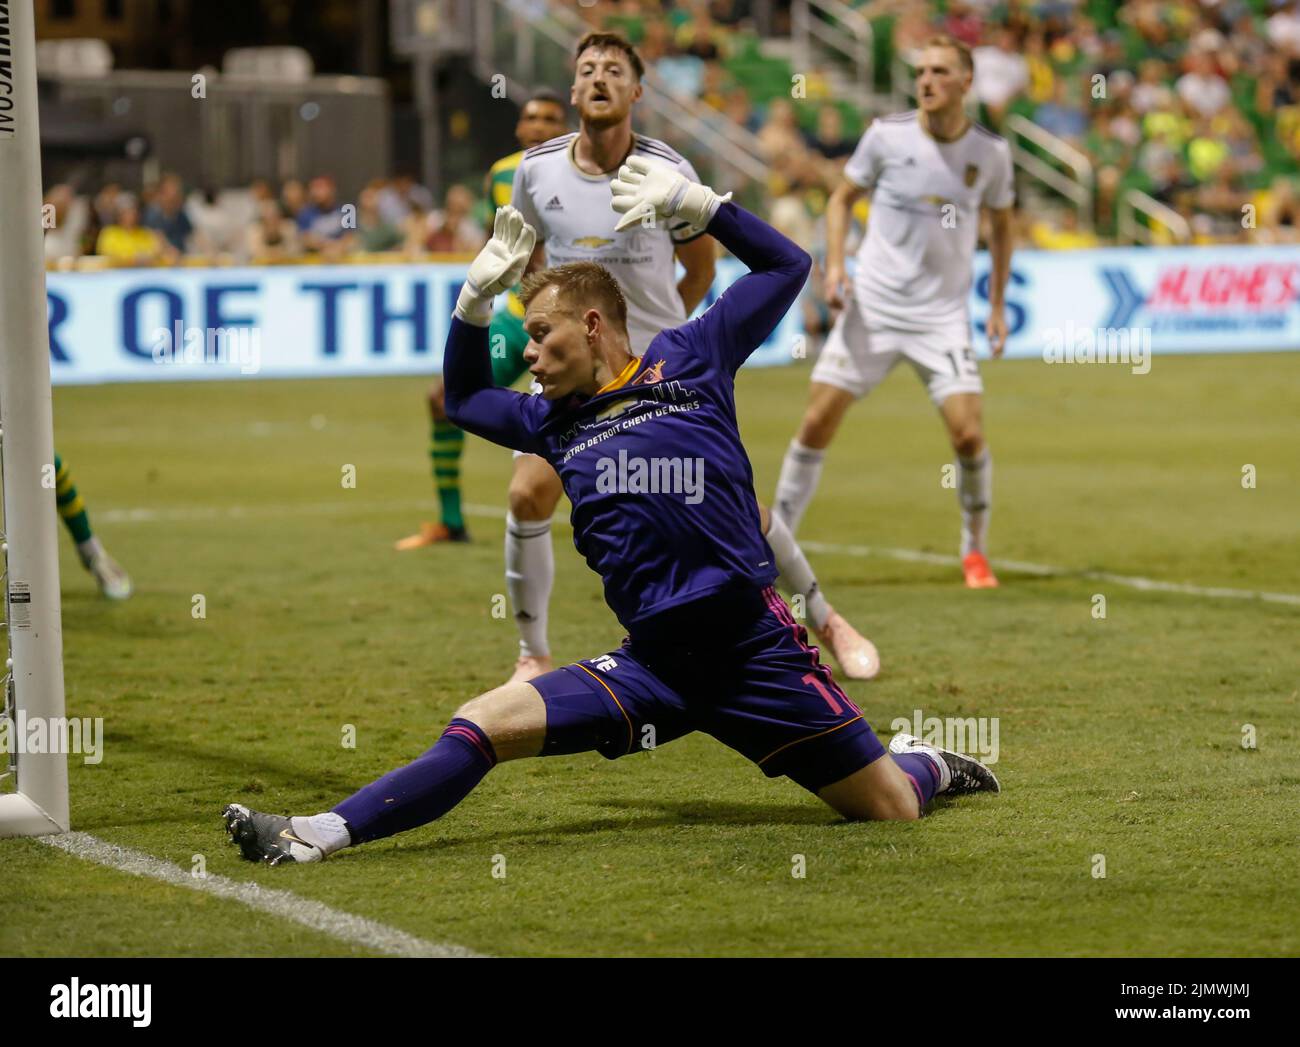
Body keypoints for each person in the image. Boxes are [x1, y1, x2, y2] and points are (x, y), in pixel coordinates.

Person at [223, 167, 998, 866]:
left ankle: (923, 759)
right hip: (652, 664)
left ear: (591, 326)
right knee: (482, 721)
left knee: (892, 808)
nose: (527, 354)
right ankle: (313, 832)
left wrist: (708, 209)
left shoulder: (692, 358)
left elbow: (788, 265)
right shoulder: (550, 423)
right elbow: (461, 400)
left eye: (538, 333)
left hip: (754, 651)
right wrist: (469, 307)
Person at [499, 32, 878, 685]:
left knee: (728, 502)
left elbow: (701, 269)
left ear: (637, 91)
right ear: (572, 89)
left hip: (655, 366)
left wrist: (656, 345)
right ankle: (532, 654)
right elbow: (532, 263)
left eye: (614, 70)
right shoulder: (536, 172)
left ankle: (826, 615)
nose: (599, 78)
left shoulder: (667, 167)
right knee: (528, 493)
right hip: (576, 371)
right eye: (587, 69)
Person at [773, 35, 1015, 590]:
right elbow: (840, 198)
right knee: (815, 423)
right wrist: (835, 268)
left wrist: (996, 304)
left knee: (967, 436)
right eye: (921, 71)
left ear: (965, 83)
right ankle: (777, 544)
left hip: (942, 316)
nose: (926, 80)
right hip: (873, 307)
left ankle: (974, 552)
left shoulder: (990, 154)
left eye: (939, 71)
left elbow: (1003, 226)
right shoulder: (887, 136)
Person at [396, 88, 570, 550]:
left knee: (584, 421)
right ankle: (451, 522)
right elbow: (502, 241)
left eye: (552, 119)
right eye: (533, 118)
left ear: (567, 127)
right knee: (444, 400)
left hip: (571, 321)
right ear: (519, 127)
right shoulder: (502, 174)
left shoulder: (588, 173)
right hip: (518, 314)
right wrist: (478, 292)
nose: (541, 127)